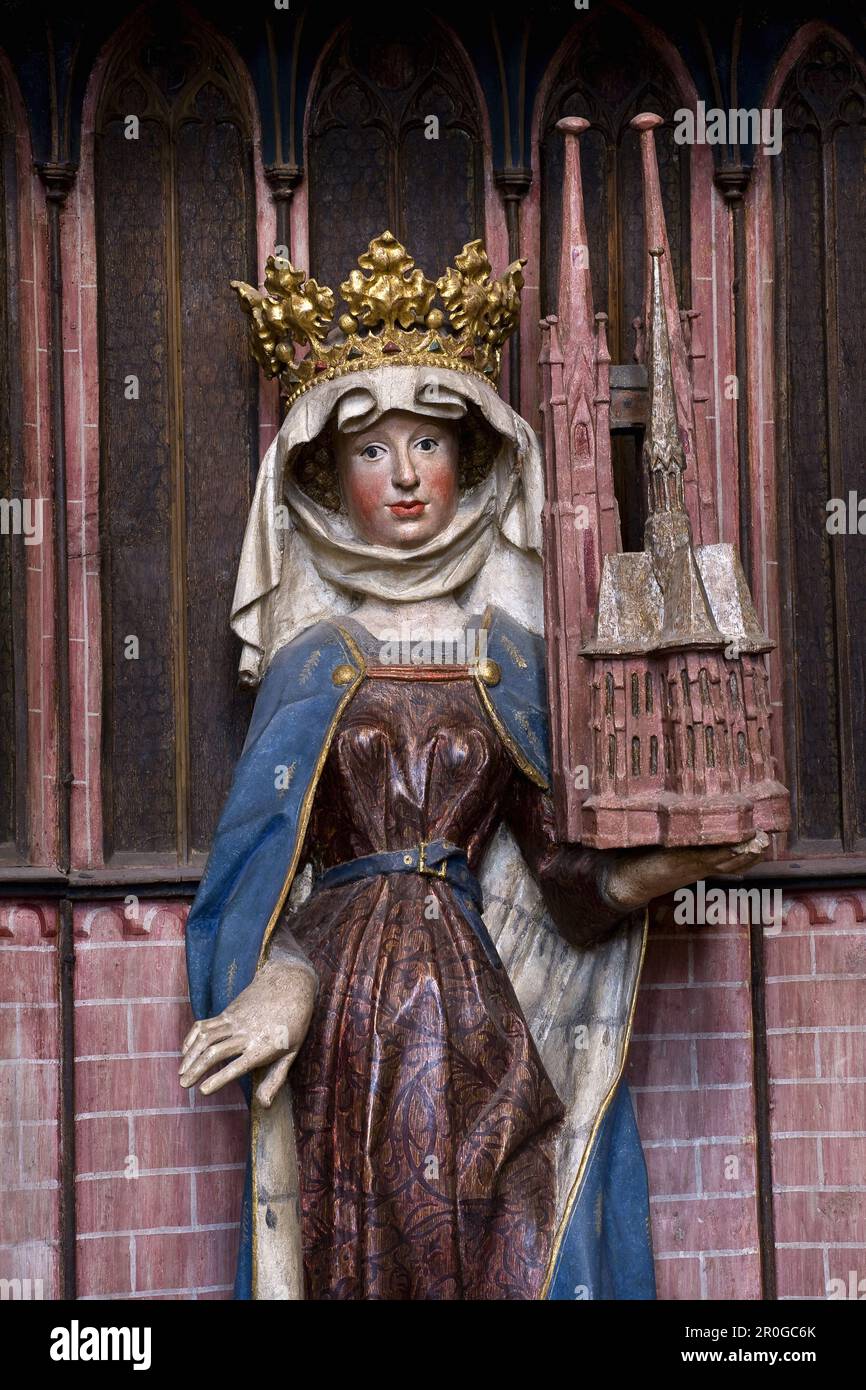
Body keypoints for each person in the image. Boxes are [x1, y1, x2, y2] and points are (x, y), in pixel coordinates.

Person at [180, 235, 766, 1300]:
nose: (403, 476)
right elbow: (265, 884)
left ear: (472, 461)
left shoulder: (510, 655)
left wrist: (677, 863)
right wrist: (279, 982)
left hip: (478, 1020)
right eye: (370, 450)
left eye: (426, 443)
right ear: (323, 474)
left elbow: (571, 891)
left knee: (517, 1228)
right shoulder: (312, 661)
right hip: (348, 1030)